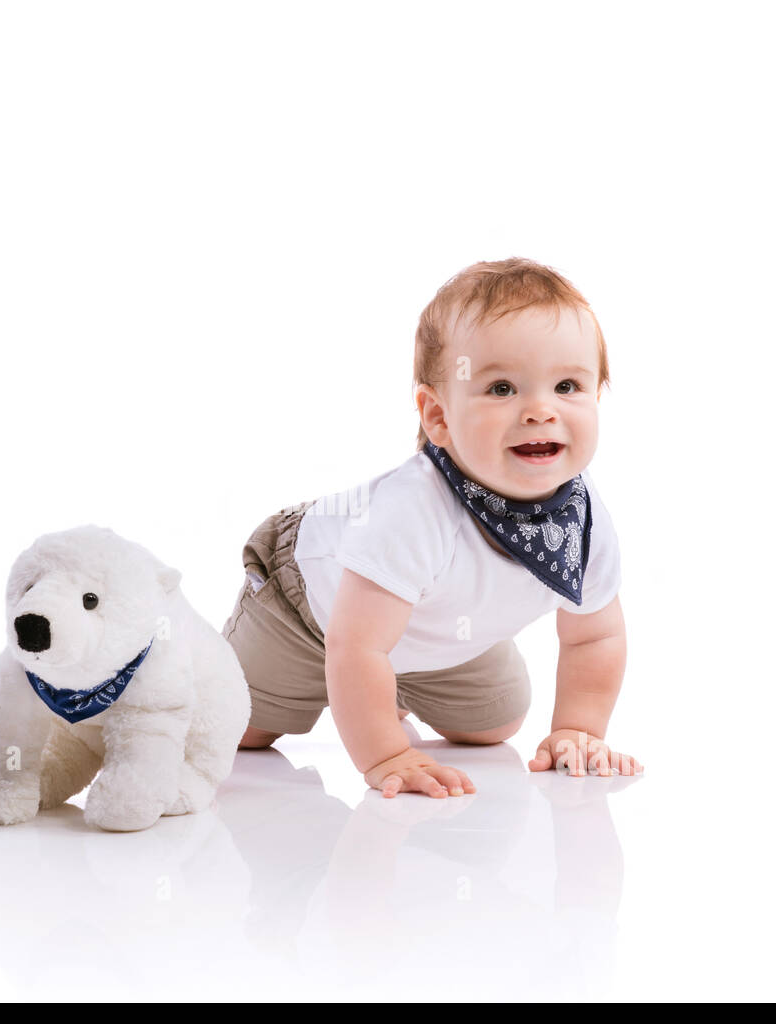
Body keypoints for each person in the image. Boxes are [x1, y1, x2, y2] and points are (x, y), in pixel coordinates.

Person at [221, 257, 642, 798]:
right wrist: (387, 755)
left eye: (567, 385)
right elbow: (357, 646)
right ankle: (220, 677)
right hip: (309, 612)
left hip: (432, 634)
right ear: (438, 416)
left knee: (495, 724)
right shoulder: (414, 511)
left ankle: (387, 691)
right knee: (241, 730)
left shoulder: (580, 520)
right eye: (501, 389)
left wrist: (577, 730)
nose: (540, 410)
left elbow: (595, 634)